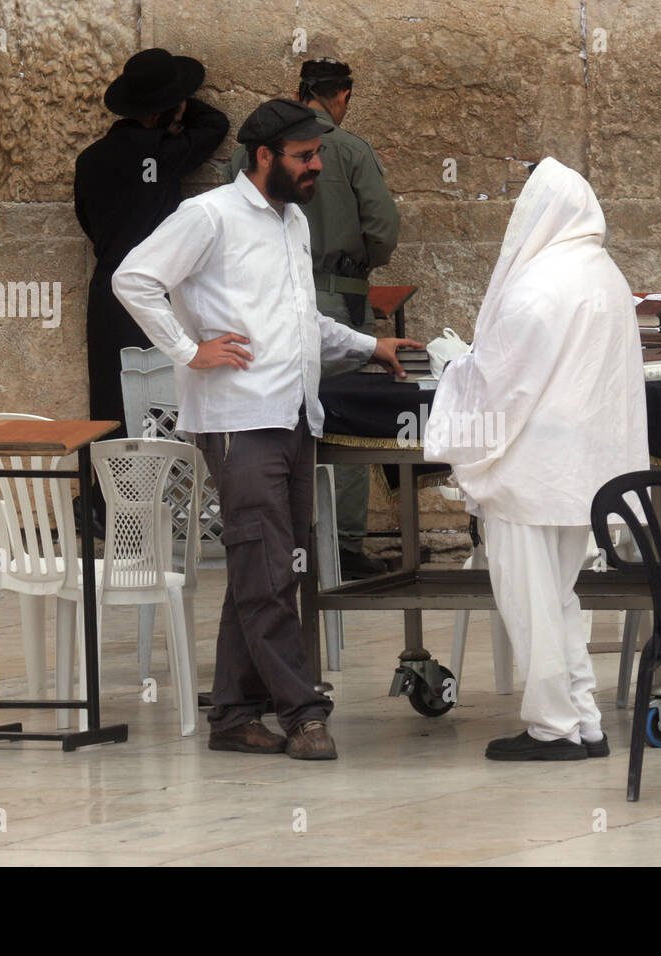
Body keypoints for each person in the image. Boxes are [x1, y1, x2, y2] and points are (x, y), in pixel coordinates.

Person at [113, 98, 421, 760]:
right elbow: (133, 279)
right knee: (269, 570)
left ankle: (232, 715)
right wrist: (189, 350)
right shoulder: (208, 216)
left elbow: (298, 320)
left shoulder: (292, 222)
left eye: (317, 154)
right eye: (305, 157)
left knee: (266, 569)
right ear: (264, 158)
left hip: (292, 414)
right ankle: (304, 712)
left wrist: (371, 347)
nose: (316, 167)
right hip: (239, 420)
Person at [425, 158, 649, 760]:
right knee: (560, 595)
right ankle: (584, 719)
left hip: (529, 472)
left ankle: (553, 727)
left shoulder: (541, 283)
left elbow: (503, 383)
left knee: (530, 600)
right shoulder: (603, 274)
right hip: (580, 475)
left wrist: (453, 368)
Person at [224, 57, 400, 580]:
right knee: (342, 419)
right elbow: (383, 226)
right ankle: (343, 545)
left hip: (266, 299)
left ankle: (286, 545)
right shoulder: (349, 148)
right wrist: (358, 260)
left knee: (280, 423)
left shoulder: (248, 152)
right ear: (341, 95)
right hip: (339, 297)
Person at [74, 48, 229, 446]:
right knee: (163, 398)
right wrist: (177, 114)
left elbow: (88, 222)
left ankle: (111, 499)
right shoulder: (166, 152)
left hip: (109, 289)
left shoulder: (90, 159)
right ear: (164, 109)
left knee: (112, 395)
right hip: (157, 290)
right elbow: (216, 123)